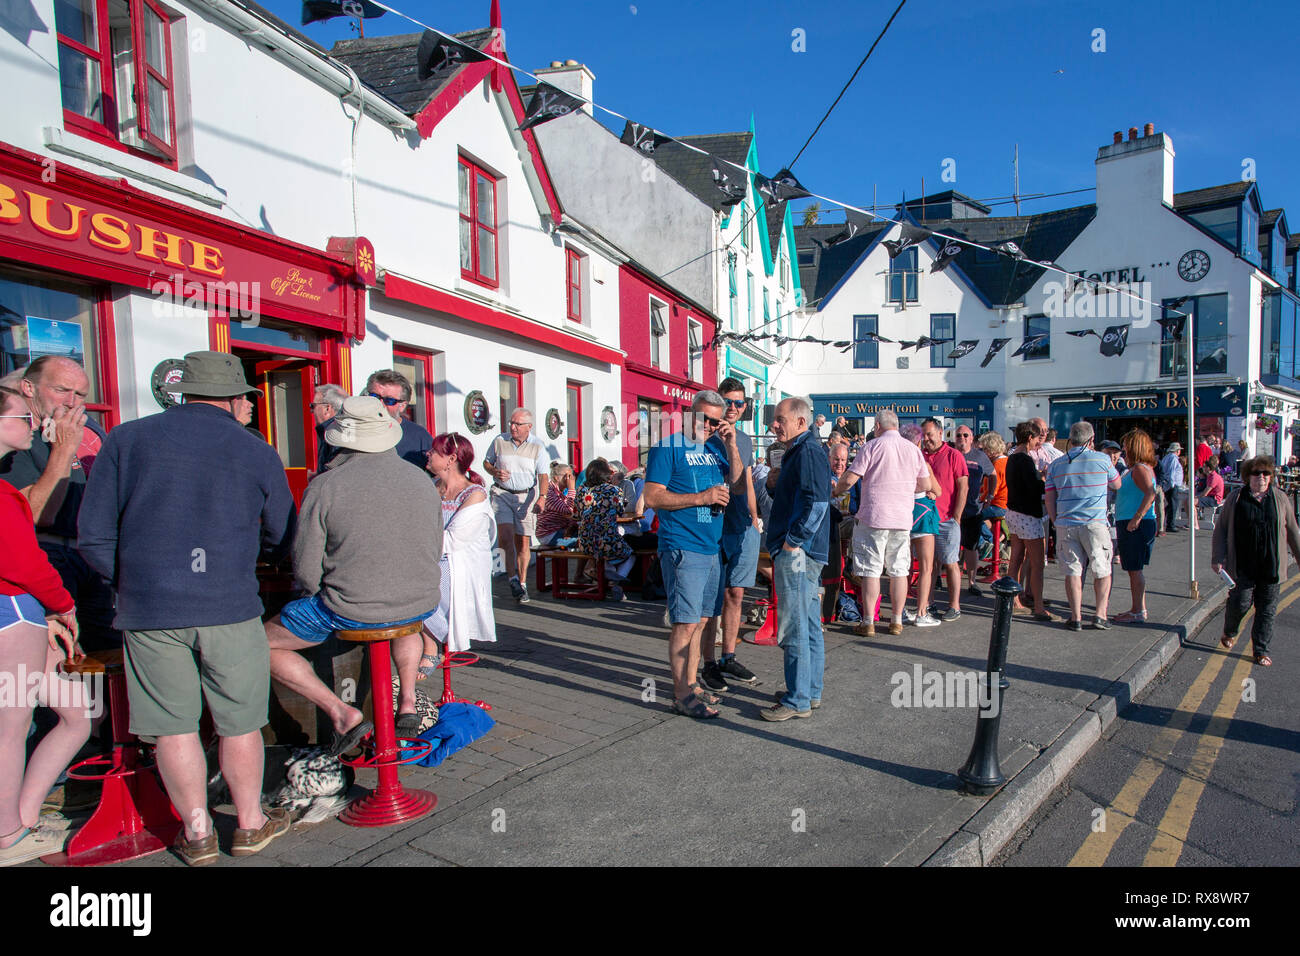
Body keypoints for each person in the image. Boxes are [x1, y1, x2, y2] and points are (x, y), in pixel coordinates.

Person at [78, 352, 297, 865]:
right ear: (233, 399)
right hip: (228, 601)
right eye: (245, 396)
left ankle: (197, 834)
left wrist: (132, 580)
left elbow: (93, 538)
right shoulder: (254, 450)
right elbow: (281, 533)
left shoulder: (126, 440)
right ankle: (248, 824)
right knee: (239, 721)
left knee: (172, 726)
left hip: (150, 606)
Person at [263, 396, 442, 750]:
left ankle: (341, 711)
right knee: (404, 615)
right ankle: (406, 699)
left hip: (352, 610)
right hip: (420, 603)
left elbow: (305, 568)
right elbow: (434, 548)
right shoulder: (422, 480)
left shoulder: (326, 485)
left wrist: (323, 591)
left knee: (258, 644)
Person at [0, 386, 87, 866]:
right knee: (11, 727)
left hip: (22, 615)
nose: (30, 424)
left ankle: (24, 816)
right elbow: (26, 562)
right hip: (14, 613)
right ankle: (9, 835)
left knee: (77, 710)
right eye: (20, 417)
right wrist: (62, 604)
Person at [0, 356, 115, 649]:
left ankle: (98, 698)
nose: (72, 401)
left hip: (89, 556)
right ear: (28, 388)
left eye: (80, 395)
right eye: (62, 390)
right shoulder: (18, 440)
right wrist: (64, 449)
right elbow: (36, 516)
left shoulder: (78, 431)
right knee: (62, 657)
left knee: (106, 651)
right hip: (48, 556)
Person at [642, 391, 742, 719]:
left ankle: (692, 683)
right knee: (685, 624)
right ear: (689, 414)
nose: (711, 426)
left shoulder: (714, 448)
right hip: (683, 545)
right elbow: (653, 497)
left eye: (719, 421)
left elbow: (739, 486)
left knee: (700, 622)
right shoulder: (667, 447)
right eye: (706, 419)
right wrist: (702, 497)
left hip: (711, 546)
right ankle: (681, 694)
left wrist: (732, 445)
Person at [762, 397, 831, 721]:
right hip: (805, 551)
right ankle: (808, 692)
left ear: (801, 422)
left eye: (780, 419)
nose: (774, 425)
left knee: (794, 626)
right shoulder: (802, 450)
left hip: (799, 553)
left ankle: (797, 699)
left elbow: (817, 504)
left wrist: (792, 543)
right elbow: (804, 499)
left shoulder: (807, 451)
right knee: (808, 624)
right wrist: (775, 484)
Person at [835, 409, 932, 638]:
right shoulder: (912, 450)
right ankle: (896, 620)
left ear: (877, 425)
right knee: (899, 570)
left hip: (874, 516)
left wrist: (836, 490)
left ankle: (868, 622)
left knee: (871, 570)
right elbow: (925, 483)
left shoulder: (871, 446)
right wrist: (905, 488)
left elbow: (850, 478)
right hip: (901, 518)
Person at [420, 433, 496, 691]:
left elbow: (453, 542)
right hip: (430, 557)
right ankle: (431, 638)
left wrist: (411, 543)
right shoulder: (430, 486)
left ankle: (434, 641)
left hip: (457, 564)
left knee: (418, 583)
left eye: (434, 451)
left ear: (451, 459)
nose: (428, 455)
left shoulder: (474, 495)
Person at [700, 378, 761, 694]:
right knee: (712, 599)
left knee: (736, 593)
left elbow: (748, 479)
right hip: (712, 524)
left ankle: (728, 657)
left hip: (742, 525)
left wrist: (754, 515)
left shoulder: (746, 439)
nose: (734, 408)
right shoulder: (706, 436)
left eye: (740, 402)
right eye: (729, 402)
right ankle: (707, 663)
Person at [1212, 455, 1300, 667]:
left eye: (1265, 473)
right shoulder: (1236, 498)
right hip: (1242, 564)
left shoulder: (1280, 498)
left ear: (1271, 477)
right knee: (1239, 603)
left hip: (1271, 566)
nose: (1261, 477)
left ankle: (1261, 650)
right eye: (1256, 473)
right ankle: (1230, 630)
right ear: (1248, 476)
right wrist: (1217, 558)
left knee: (1267, 609)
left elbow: (1293, 531)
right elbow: (1221, 529)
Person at [1045, 421, 1122, 630]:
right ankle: (1099, 614)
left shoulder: (1056, 465)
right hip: (1094, 522)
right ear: (1091, 439)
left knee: (1073, 571)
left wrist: (1055, 520)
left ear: (1072, 438)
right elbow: (1117, 484)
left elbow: (1050, 498)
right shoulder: (1102, 459)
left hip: (1066, 523)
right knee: (1102, 570)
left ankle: (1076, 617)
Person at [483, 408, 551, 604]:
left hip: (525, 496)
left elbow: (543, 476)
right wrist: (495, 471)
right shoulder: (499, 441)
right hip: (502, 493)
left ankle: (522, 583)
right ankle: (512, 578)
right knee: (505, 536)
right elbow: (487, 463)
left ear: (528, 427)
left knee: (522, 541)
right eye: (511, 423)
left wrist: (542, 498)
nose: (512, 427)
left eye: (517, 424)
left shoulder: (538, 446)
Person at [921, 418, 969, 620]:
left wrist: (956, 516)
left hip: (946, 519)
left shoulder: (953, 455)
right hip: (925, 520)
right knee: (929, 565)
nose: (926, 439)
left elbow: (963, 486)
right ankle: (928, 604)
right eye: (923, 435)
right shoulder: (920, 456)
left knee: (950, 563)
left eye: (929, 434)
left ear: (940, 433)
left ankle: (954, 606)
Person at [1006, 422, 1055, 621]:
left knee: (1016, 558)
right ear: (1029, 438)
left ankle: (1013, 599)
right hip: (1028, 515)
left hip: (1014, 512)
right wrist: (1043, 478)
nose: (1037, 442)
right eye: (1036, 439)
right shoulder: (1025, 460)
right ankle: (1039, 605)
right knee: (1037, 563)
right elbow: (1035, 488)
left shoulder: (1011, 457)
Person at [1112, 429, 1159, 623]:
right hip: (1131, 521)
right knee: (1133, 568)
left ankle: (1138, 611)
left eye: (1126, 446)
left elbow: (1151, 492)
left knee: (1135, 569)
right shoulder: (1140, 468)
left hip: (1135, 523)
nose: (1123, 450)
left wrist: (1136, 518)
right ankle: (1137, 608)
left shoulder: (1140, 468)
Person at [575, 459, 636, 601]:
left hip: (585, 540)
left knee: (606, 553)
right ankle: (616, 582)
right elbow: (620, 511)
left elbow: (577, 514)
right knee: (630, 555)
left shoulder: (581, 491)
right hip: (607, 537)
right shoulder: (614, 490)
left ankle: (609, 573)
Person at [900, 424, 941, 627]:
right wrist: (931, 491)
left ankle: (900, 611)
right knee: (926, 567)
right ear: (918, 442)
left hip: (903, 514)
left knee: (902, 567)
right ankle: (922, 612)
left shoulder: (897, 462)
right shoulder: (922, 462)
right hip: (923, 514)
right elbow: (938, 490)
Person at [954, 425, 997, 599]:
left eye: (966, 435)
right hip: (951, 509)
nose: (962, 438)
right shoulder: (951, 453)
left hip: (972, 509)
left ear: (972, 438)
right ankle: (951, 579)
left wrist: (990, 495)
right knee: (951, 547)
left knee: (971, 547)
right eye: (958, 435)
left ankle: (972, 581)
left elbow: (993, 474)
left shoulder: (979, 456)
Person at [364, 369, 432, 470]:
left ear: (402, 406)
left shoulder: (419, 437)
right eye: (375, 396)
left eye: (389, 400)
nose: (380, 404)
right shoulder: (351, 430)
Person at [822, 441, 857, 624]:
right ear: (829, 459)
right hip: (831, 522)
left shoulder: (852, 478)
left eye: (843, 460)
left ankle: (852, 566)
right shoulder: (824, 476)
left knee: (858, 524)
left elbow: (859, 504)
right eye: (836, 459)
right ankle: (850, 567)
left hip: (849, 520)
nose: (840, 463)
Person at [535, 461, 577, 547]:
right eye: (567, 476)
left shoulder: (560, 492)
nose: (570, 479)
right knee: (584, 542)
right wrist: (572, 488)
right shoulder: (549, 492)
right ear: (557, 478)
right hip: (549, 534)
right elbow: (567, 511)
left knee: (587, 534)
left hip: (560, 530)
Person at [310, 383, 348, 473]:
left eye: (313, 406)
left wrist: (316, 480)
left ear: (327, 409)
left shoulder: (334, 436)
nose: (311, 411)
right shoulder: (345, 430)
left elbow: (335, 475)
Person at [1158, 442, 1185, 532]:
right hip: (1172, 484)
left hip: (1167, 483)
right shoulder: (1173, 458)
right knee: (1173, 504)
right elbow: (1172, 472)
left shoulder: (1166, 457)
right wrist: (1172, 484)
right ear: (1177, 451)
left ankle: (1165, 522)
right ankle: (1170, 524)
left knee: (1170, 504)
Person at [1197, 456, 1225, 528]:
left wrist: (1196, 497)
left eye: (1204, 466)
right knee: (1187, 500)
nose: (1202, 468)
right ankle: (1194, 519)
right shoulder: (1209, 476)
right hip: (1210, 497)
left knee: (1191, 502)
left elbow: (1205, 492)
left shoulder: (1214, 477)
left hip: (1214, 499)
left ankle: (1194, 523)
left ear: (1208, 468)